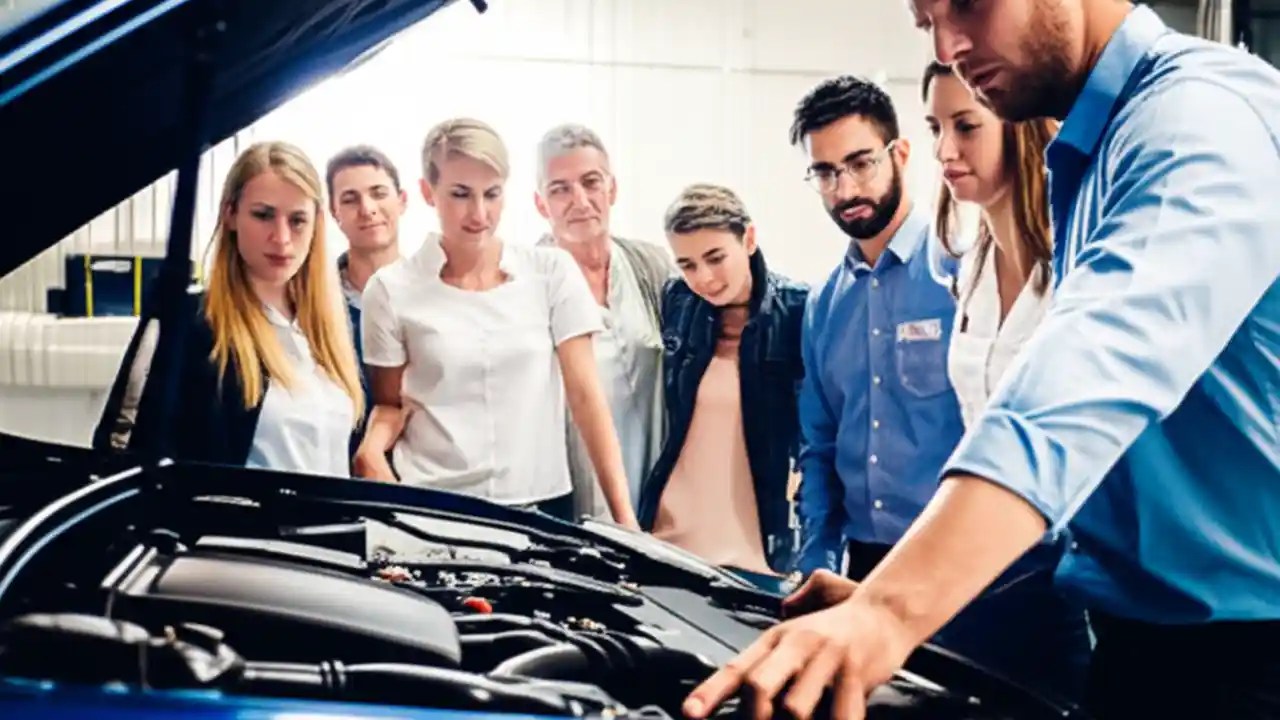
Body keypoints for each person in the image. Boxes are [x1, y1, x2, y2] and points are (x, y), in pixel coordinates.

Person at [682, 1, 1280, 719]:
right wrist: (891, 596)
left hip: (1244, 658)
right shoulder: (1097, 153)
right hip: (1145, 640)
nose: (948, 43)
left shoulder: (1198, 118)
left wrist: (894, 610)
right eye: (924, 16)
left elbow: (1084, 383)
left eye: (965, 2)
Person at [355, 117, 639, 528]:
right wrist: (371, 452)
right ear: (426, 192)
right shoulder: (390, 289)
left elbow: (586, 398)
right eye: (460, 194)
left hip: (542, 507)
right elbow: (389, 403)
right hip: (433, 506)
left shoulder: (549, 272)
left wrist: (624, 518)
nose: (479, 213)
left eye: (492, 194)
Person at [922, 60, 1089, 702]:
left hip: (1066, 566)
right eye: (936, 126)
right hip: (992, 558)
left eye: (965, 126)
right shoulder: (971, 267)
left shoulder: (1075, 262)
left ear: (1017, 127)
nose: (945, 150)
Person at [93, 141, 365, 477]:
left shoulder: (336, 328)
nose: (281, 238)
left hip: (331, 527)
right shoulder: (191, 324)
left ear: (316, 224)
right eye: (263, 215)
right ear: (230, 214)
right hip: (234, 528)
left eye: (297, 220)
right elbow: (125, 453)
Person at [789, 75, 963, 581]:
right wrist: (816, 559)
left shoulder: (962, 272)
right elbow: (819, 448)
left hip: (965, 568)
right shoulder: (824, 305)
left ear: (900, 154)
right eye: (825, 173)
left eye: (861, 164)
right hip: (865, 566)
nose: (846, 190)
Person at [637, 183, 808, 577]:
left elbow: (817, 433)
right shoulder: (678, 301)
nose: (704, 278)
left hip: (757, 545)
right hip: (670, 532)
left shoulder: (798, 309)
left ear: (748, 239)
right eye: (687, 264)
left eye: (715, 258)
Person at [533, 123, 673, 520]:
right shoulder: (527, 284)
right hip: (573, 500)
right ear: (541, 204)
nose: (579, 200)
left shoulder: (653, 267)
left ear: (612, 189)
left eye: (591, 182)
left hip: (656, 493)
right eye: (560, 189)